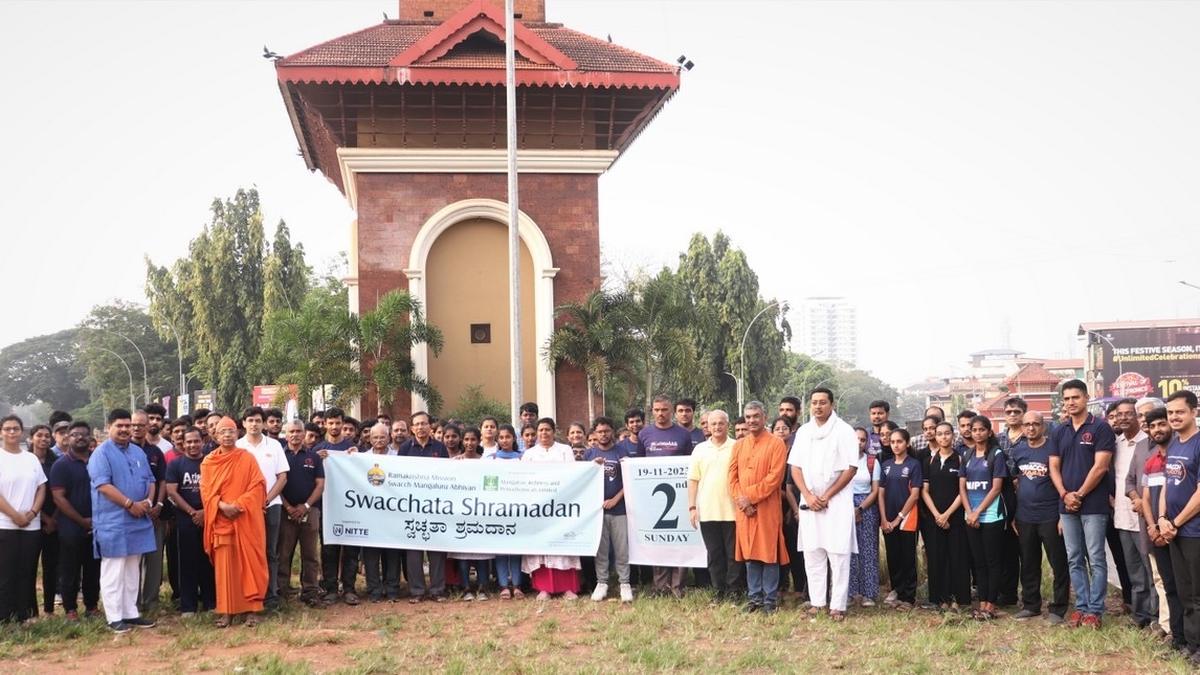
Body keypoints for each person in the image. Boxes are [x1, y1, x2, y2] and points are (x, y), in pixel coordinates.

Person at [1049, 379, 1116, 629]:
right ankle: (1081, 607)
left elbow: (1101, 467)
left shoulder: (1100, 428)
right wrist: (1065, 494)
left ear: (1086, 397)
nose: (1070, 402)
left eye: (1075, 397)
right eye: (1066, 399)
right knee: (1074, 557)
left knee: (1096, 557)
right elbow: (1053, 467)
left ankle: (1095, 611)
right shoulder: (1059, 430)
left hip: (1094, 505)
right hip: (1065, 505)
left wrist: (1079, 494)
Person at [788, 388, 858, 620]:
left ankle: (837, 605)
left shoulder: (844, 431)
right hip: (809, 502)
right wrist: (807, 495)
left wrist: (827, 495)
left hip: (836, 502)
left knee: (838, 555)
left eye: (822, 402)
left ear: (832, 404)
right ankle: (817, 603)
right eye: (814, 403)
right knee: (812, 552)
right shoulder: (804, 431)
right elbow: (795, 467)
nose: (817, 407)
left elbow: (851, 468)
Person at [89, 409, 157, 633]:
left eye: (128, 425)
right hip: (114, 522)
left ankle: (131, 613)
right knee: (114, 570)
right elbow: (103, 486)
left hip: (138, 520)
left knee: (132, 569)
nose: (125, 429)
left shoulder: (138, 452)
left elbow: (151, 479)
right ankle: (114, 617)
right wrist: (130, 504)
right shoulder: (101, 453)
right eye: (120, 425)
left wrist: (147, 501)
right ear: (109, 427)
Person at [201, 416, 268, 628]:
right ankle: (227, 611)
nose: (227, 435)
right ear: (215, 435)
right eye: (223, 432)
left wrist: (238, 505)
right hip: (221, 520)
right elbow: (206, 491)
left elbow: (258, 486)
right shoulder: (209, 461)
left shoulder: (247, 458)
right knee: (225, 569)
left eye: (231, 431)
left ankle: (253, 610)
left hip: (245, 518)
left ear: (237, 434)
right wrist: (221, 506)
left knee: (249, 564)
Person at [729, 401, 788, 614]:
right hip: (745, 511)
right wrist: (742, 501)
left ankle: (769, 600)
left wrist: (750, 498)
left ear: (765, 417)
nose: (752, 420)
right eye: (748, 416)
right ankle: (754, 598)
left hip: (767, 508)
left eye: (756, 416)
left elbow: (775, 478)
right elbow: (732, 477)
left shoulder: (776, 444)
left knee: (768, 553)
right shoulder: (739, 445)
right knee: (750, 555)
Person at [1010, 412, 1069, 623]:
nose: (1031, 428)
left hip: (1051, 514)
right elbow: (1015, 482)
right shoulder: (1018, 450)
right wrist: (1014, 514)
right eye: (1027, 425)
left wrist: (1063, 515)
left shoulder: (1053, 448)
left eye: (1035, 424)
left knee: (1058, 562)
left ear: (1043, 426)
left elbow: (1063, 480)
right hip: (1025, 516)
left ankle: (1058, 608)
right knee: (1028, 562)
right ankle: (1031, 605)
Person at [636, 395, 695, 598]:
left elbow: (690, 464)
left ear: (671, 411)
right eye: (657, 410)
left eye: (664, 410)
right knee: (658, 541)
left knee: (678, 540)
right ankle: (660, 587)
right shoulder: (645, 434)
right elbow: (638, 465)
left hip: (679, 497)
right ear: (652, 411)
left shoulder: (683, 435)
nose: (660, 413)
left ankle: (678, 587)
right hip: (653, 498)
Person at [1158, 391, 1200, 663]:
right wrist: (1162, 518)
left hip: (1194, 532)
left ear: (1194, 411)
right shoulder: (1174, 444)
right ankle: (1190, 643)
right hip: (1173, 530)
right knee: (1184, 591)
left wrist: (1175, 522)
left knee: (1197, 594)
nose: (1174, 416)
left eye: (1179, 412)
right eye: (1170, 412)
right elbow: (1166, 484)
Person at [1140, 407, 1185, 651]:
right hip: (1158, 533)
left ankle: (1190, 638)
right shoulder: (1151, 462)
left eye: (1162, 424)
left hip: (1182, 533)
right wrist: (1152, 527)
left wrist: (1170, 525)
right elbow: (1146, 498)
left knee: (1187, 589)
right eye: (1153, 426)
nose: (1158, 429)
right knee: (1169, 586)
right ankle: (1177, 638)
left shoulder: (1183, 455)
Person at [521, 418, 581, 599]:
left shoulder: (565, 451)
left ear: (554, 431)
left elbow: (572, 476)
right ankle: (543, 588)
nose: (543, 433)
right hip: (538, 508)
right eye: (540, 430)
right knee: (542, 547)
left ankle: (568, 587)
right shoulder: (529, 454)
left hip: (561, 506)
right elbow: (523, 480)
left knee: (563, 545)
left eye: (547, 430)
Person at [236, 406, 289, 610]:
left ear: (263, 423)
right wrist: (249, 502)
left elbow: (282, 477)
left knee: (270, 551)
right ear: (244, 423)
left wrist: (265, 500)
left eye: (258, 420)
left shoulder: (274, 446)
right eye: (250, 420)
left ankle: (271, 594)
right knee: (248, 551)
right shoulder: (238, 447)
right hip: (245, 508)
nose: (254, 424)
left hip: (271, 506)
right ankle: (248, 594)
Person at [50, 421, 101, 620]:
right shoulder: (61, 465)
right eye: (75, 435)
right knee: (70, 569)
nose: (79, 437)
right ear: (68, 438)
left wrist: (94, 521)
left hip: (96, 525)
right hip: (71, 527)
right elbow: (58, 498)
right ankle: (70, 609)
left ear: (90, 438)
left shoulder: (97, 462)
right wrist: (81, 521)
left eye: (83, 434)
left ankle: (91, 606)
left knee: (92, 568)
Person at [960, 415, 1009, 621]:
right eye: (974, 429)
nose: (977, 433)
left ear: (989, 432)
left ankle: (991, 604)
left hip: (991, 516)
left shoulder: (996, 454)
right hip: (970, 516)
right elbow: (962, 486)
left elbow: (996, 488)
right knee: (978, 562)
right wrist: (970, 512)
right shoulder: (967, 454)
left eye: (981, 429)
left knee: (992, 560)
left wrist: (978, 511)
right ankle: (981, 603)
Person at [398, 411, 451, 603]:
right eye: (417, 424)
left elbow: (447, 475)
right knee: (413, 550)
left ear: (430, 427)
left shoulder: (440, 448)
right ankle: (417, 591)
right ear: (412, 429)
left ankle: (437, 590)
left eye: (424, 424)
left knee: (436, 549)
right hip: (412, 506)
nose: (420, 427)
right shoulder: (404, 448)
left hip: (435, 506)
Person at [1113, 397, 1156, 628]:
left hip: (1145, 516)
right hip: (1122, 516)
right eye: (1120, 414)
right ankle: (1140, 617)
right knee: (1135, 572)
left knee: (1152, 572)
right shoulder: (1117, 443)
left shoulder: (1149, 442)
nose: (1124, 418)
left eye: (1130, 413)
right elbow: (1122, 480)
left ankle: (1157, 617)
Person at [163, 426, 216, 615]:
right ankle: (188, 606)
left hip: (210, 518)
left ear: (202, 442)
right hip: (185, 520)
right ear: (183, 444)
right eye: (189, 442)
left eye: (196, 441)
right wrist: (193, 512)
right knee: (187, 563)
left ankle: (211, 603)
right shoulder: (175, 465)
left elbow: (219, 490)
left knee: (209, 561)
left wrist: (205, 512)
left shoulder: (211, 462)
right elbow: (171, 491)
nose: (193, 445)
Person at [688, 410, 739, 602]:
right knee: (714, 554)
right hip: (708, 511)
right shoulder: (700, 449)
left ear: (728, 425)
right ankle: (719, 591)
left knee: (733, 556)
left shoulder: (737, 447)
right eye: (713, 424)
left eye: (721, 423)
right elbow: (693, 480)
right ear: (707, 427)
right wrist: (692, 508)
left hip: (733, 511)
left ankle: (734, 592)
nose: (717, 427)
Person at [0, 415, 47, 623]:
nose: (12, 432)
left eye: (15, 429)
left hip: (31, 525)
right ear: (1, 432)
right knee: (6, 572)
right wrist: (15, 515)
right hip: (4, 524)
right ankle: (5, 617)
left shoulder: (31, 459)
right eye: (7, 429)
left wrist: (32, 513)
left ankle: (25, 614)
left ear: (22, 432)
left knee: (27, 571)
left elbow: (41, 487)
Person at [313, 407, 359, 605]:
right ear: (324, 424)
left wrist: (357, 458)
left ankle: (349, 588)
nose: (334, 426)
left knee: (351, 549)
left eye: (338, 423)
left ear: (343, 423)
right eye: (330, 423)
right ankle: (330, 588)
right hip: (326, 508)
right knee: (328, 548)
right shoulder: (317, 450)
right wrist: (318, 459)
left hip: (350, 508)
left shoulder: (353, 449)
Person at [586, 417, 634, 603]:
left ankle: (624, 583)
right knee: (601, 549)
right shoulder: (589, 454)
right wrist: (593, 467)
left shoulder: (622, 452)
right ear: (594, 434)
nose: (603, 435)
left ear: (612, 431)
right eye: (600, 432)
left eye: (606, 431)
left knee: (622, 548)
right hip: (597, 512)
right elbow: (584, 482)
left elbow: (630, 481)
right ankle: (602, 583)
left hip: (620, 509)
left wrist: (615, 499)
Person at [923, 421, 970, 610]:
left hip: (956, 518)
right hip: (934, 518)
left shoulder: (961, 460)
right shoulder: (929, 461)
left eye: (947, 433)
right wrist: (937, 515)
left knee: (957, 558)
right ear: (935, 435)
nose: (943, 437)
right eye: (939, 434)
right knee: (937, 558)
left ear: (953, 435)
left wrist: (947, 515)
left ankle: (959, 599)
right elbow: (924, 491)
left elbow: (962, 490)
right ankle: (940, 599)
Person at [278, 420, 325, 607]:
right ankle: (281, 591)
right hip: (284, 511)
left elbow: (320, 484)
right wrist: (288, 506)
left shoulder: (313, 457)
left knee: (310, 554)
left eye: (299, 431)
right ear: (286, 434)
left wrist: (305, 506)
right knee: (283, 552)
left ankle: (310, 591)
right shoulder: (279, 456)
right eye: (291, 431)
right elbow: (274, 483)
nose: (295, 435)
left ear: (304, 433)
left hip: (310, 510)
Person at [879, 429, 922, 610]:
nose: (896, 445)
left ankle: (909, 597)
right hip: (887, 518)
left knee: (907, 558)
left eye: (899, 442)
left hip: (907, 519)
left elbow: (914, 495)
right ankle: (896, 590)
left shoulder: (914, 465)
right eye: (893, 442)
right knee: (893, 557)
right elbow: (880, 493)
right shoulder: (886, 465)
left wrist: (898, 518)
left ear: (907, 443)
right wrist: (884, 518)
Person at [361, 423, 402, 603]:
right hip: (370, 513)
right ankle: (374, 589)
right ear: (369, 439)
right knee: (371, 555)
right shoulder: (360, 459)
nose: (379, 441)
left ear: (389, 437)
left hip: (393, 514)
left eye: (382, 437)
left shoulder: (398, 457)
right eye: (375, 437)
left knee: (392, 554)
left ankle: (392, 588)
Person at [489, 424, 524, 598]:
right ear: (497, 440)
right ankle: (503, 586)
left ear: (514, 439)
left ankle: (517, 585)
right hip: (497, 510)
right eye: (501, 437)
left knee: (516, 549)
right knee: (501, 549)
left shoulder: (522, 458)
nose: (504, 440)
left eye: (507, 437)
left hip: (518, 510)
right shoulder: (492, 458)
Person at [848, 427, 880, 607]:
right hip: (844, 506)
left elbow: (875, 491)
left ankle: (869, 593)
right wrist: (850, 509)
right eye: (855, 439)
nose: (858, 443)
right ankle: (850, 592)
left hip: (866, 506)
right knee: (847, 551)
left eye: (862, 439)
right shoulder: (842, 461)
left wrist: (859, 509)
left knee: (868, 550)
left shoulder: (872, 462)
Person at [29, 423, 59, 617]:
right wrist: (43, 517)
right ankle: (31, 610)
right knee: (29, 568)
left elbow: (62, 492)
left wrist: (53, 518)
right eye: (39, 435)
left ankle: (49, 609)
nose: (43, 439)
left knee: (51, 567)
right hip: (31, 520)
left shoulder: (57, 462)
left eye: (47, 436)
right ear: (32, 438)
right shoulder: (24, 461)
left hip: (55, 521)